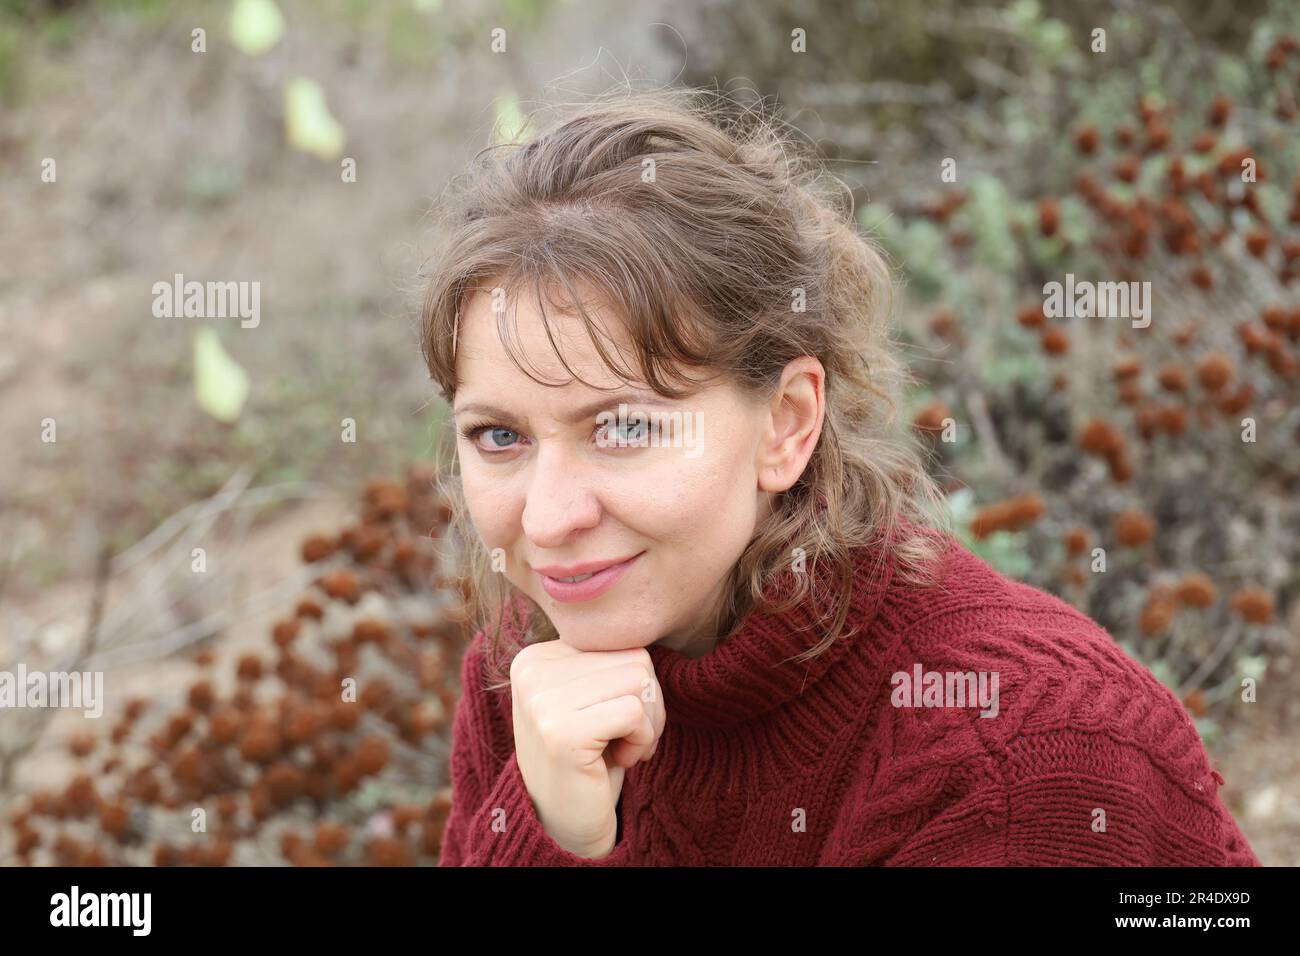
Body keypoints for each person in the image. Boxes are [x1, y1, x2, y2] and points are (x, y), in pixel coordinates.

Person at [418, 87, 1260, 866]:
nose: (549, 519)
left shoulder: (1020, 755)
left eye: (627, 426)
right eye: (498, 435)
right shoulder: (530, 672)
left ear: (786, 424)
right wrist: (553, 825)